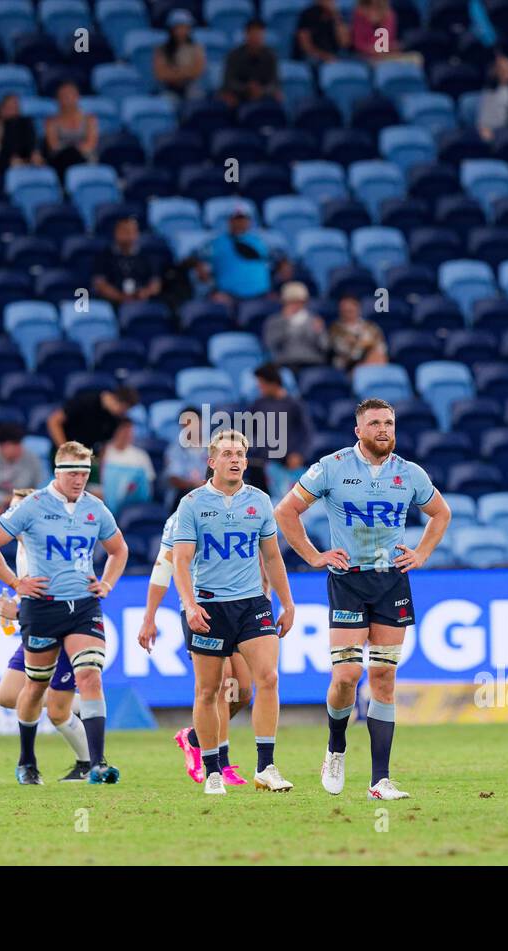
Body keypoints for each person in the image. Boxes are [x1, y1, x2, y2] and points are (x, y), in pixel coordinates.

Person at [274, 398, 451, 799]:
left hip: (391, 581)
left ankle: (379, 779)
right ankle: (336, 746)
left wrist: (421, 553)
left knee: (384, 678)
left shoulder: (409, 473)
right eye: (375, 424)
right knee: (347, 676)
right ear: (358, 430)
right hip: (348, 581)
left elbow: (441, 513)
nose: (384, 429)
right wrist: (314, 556)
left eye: (389, 423)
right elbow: (286, 512)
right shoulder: (332, 467)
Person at [0, 441, 129, 785]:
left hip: (84, 607)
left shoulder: (96, 508)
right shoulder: (33, 506)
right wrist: (16, 582)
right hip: (43, 608)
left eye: (85, 473)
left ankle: (97, 763)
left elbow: (119, 549)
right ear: (57, 472)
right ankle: (27, 760)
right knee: (34, 687)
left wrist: (107, 584)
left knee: (90, 676)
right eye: (73, 472)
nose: (79, 479)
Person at [171, 430, 296, 795]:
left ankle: (266, 766)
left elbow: (271, 556)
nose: (236, 459)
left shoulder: (259, 500)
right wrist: (190, 604)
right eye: (227, 453)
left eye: (240, 453)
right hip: (210, 606)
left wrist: (287, 603)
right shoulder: (192, 503)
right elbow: (180, 560)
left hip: (252, 604)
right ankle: (212, 769)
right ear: (212, 461)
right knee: (209, 690)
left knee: (268, 678)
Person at [138, 510, 254, 786]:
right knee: (222, 684)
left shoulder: (245, 507)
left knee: (243, 690)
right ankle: (221, 764)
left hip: (240, 605)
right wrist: (149, 617)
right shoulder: (184, 516)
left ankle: (193, 737)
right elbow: (163, 567)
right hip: (201, 610)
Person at [0, 487, 92, 782]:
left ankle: (85, 763)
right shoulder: (23, 550)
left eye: (18, 510)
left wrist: (18, 613)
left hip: (62, 635)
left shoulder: (48, 552)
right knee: (8, 694)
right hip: (36, 630)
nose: (13, 517)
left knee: (54, 711)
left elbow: (61, 609)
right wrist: (9, 608)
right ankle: (79, 705)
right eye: (10, 510)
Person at [201, 204, 291, 303]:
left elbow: (279, 258)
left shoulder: (260, 242)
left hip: (262, 294)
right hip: (229, 296)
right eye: (237, 219)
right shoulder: (216, 243)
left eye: (244, 219)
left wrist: (284, 264)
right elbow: (197, 261)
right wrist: (200, 269)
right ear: (230, 221)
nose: (241, 223)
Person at [246, 362, 311, 490]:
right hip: (263, 467)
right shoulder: (258, 405)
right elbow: (247, 432)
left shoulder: (294, 405)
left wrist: (299, 454)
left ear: (273, 384)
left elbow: (306, 433)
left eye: (262, 385)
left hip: (289, 466)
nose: (260, 388)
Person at [0, 422, 44, 518]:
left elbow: (42, 488)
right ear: (3, 446)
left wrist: (18, 496)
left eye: (20, 444)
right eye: (15, 445)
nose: (19, 449)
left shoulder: (31, 458)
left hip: (24, 501)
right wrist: (4, 499)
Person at [46, 384, 140, 454]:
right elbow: (53, 421)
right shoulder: (86, 401)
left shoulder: (115, 419)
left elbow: (104, 446)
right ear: (118, 401)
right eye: (124, 409)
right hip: (62, 448)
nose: (124, 413)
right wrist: (65, 450)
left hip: (87, 455)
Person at [91, 215, 161, 306]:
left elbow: (155, 284)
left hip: (141, 302)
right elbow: (100, 284)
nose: (130, 235)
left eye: (133, 231)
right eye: (125, 231)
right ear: (116, 232)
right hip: (112, 304)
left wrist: (145, 293)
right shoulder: (104, 256)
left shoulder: (145, 257)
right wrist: (121, 297)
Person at [263, 281, 329, 372]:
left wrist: (319, 332)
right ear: (284, 302)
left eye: (300, 302)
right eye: (292, 302)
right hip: (286, 363)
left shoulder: (314, 320)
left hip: (312, 363)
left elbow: (324, 346)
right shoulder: (274, 321)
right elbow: (271, 344)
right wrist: (285, 321)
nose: (296, 306)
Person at [220, 18, 281, 108]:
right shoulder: (234, 55)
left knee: (278, 96)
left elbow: (275, 82)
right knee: (227, 97)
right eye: (253, 34)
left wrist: (262, 90)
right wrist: (247, 88)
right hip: (239, 94)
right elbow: (228, 81)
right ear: (246, 34)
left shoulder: (270, 56)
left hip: (263, 94)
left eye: (259, 34)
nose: (256, 38)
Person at [44, 81, 98, 181]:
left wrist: (75, 151)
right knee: (66, 156)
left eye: (70, 95)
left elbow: (91, 143)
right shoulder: (51, 121)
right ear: (58, 99)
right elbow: (53, 145)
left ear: (77, 97)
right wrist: (70, 150)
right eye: (64, 96)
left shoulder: (89, 119)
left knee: (74, 155)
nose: (67, 99)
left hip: (83, 157)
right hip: (61, 159)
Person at [99, 418, 154, 513]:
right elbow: (97, 484)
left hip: (131, 507)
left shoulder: (141, 455)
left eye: (129, 431)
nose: (127, 434)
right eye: (123, 430)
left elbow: (147, 489)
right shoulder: (103, 452)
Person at [154, 9, 207, 101]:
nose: (182, 31)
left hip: (190, 86)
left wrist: (175, 72)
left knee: (196, 96)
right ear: (171, 29)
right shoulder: (162, 49)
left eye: (185, 27)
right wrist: (184, 72)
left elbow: (197, 71)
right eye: (178, 27)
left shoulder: (196, 48)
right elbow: (161, 74)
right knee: (167, 100)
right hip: (168, 88)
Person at [329, 294, 387, 372]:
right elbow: (345, 351)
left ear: (358, 309)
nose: (347, 314)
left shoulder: (371, 327)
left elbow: (381, 347)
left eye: (350, 311)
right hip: (348, 367)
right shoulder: (335, 329)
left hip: (372, 362)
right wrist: (366, 345)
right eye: (345, 311)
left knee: (378, 356)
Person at [0, 94, 41, 172]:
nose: (14, 110)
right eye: (10, 107)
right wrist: (10, 161)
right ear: (2, 109)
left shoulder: (25, 124)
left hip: (24, 161)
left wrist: (33, 155)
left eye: (16, 107)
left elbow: (31, 144)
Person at [164, 407, 209, 506]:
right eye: (185, 425)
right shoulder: (174, 449)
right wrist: (194, 485)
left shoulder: (214, 446)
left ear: (201, 422)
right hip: (184, 497)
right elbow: (174, 478)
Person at [477, 54, 508, 140]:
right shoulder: (489, 90)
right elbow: (484, 125)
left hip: (505, 131)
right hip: (487, 130)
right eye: (505, 71)